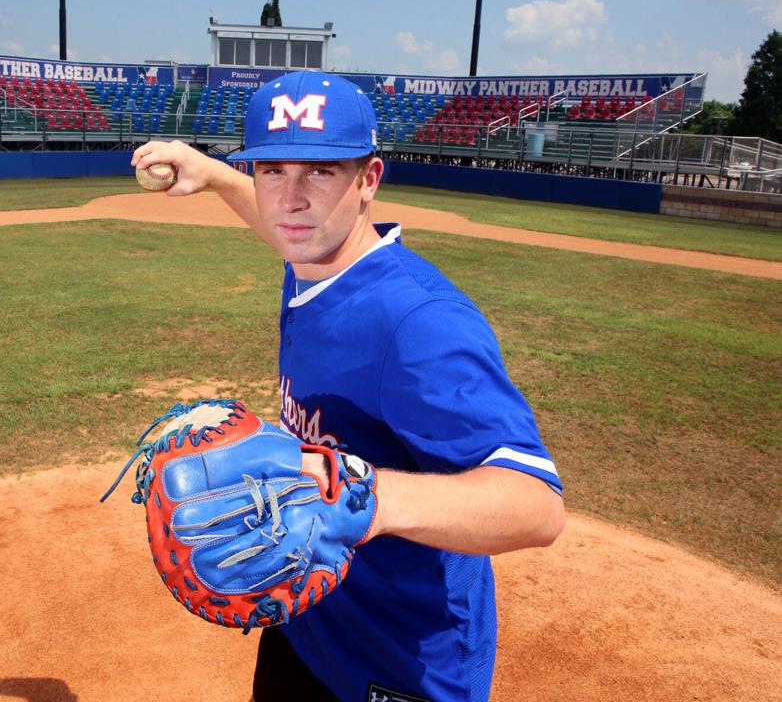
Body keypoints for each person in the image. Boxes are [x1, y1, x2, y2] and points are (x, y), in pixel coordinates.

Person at [132, 71, 565, 702]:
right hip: (306, 605)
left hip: (401, 659)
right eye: (271, 170)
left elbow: (537, 505)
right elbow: (285, 218)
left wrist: (365, 496)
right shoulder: (315, 255)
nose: (291, 198)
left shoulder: (419, 324)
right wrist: (215, 173)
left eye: (322, 171)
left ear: (368, 181)